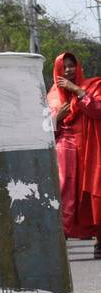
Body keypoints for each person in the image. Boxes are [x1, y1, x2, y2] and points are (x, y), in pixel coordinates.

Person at [49, 51, 101, 255]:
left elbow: (98, 110)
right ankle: (59, 245)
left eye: (71, 65)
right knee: (64, 195)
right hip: (65, 150)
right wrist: (57, 118)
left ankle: (99, 242)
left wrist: (78, 91)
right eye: (64, 67)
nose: (68, 70)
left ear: (78, 67)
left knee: (93, 195)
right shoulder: (52, 95)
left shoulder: (93, 86)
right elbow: (43, 128)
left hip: (91, 148)